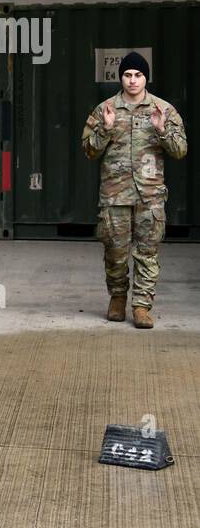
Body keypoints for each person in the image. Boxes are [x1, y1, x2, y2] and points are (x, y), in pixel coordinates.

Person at [80, 51, 187, 328]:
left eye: (138, 75)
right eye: (127, 74)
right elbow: (89, 151)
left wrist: (162, 130)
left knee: (147, 252)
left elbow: (180, 150)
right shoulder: (105, 110)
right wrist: (105, 129)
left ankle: (141, 306)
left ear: (145, 78)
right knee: (114, 251)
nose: (132, 80)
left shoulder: (163, 110)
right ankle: (117, 298)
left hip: (149, 196)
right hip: (115, 195)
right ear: (121, 78)